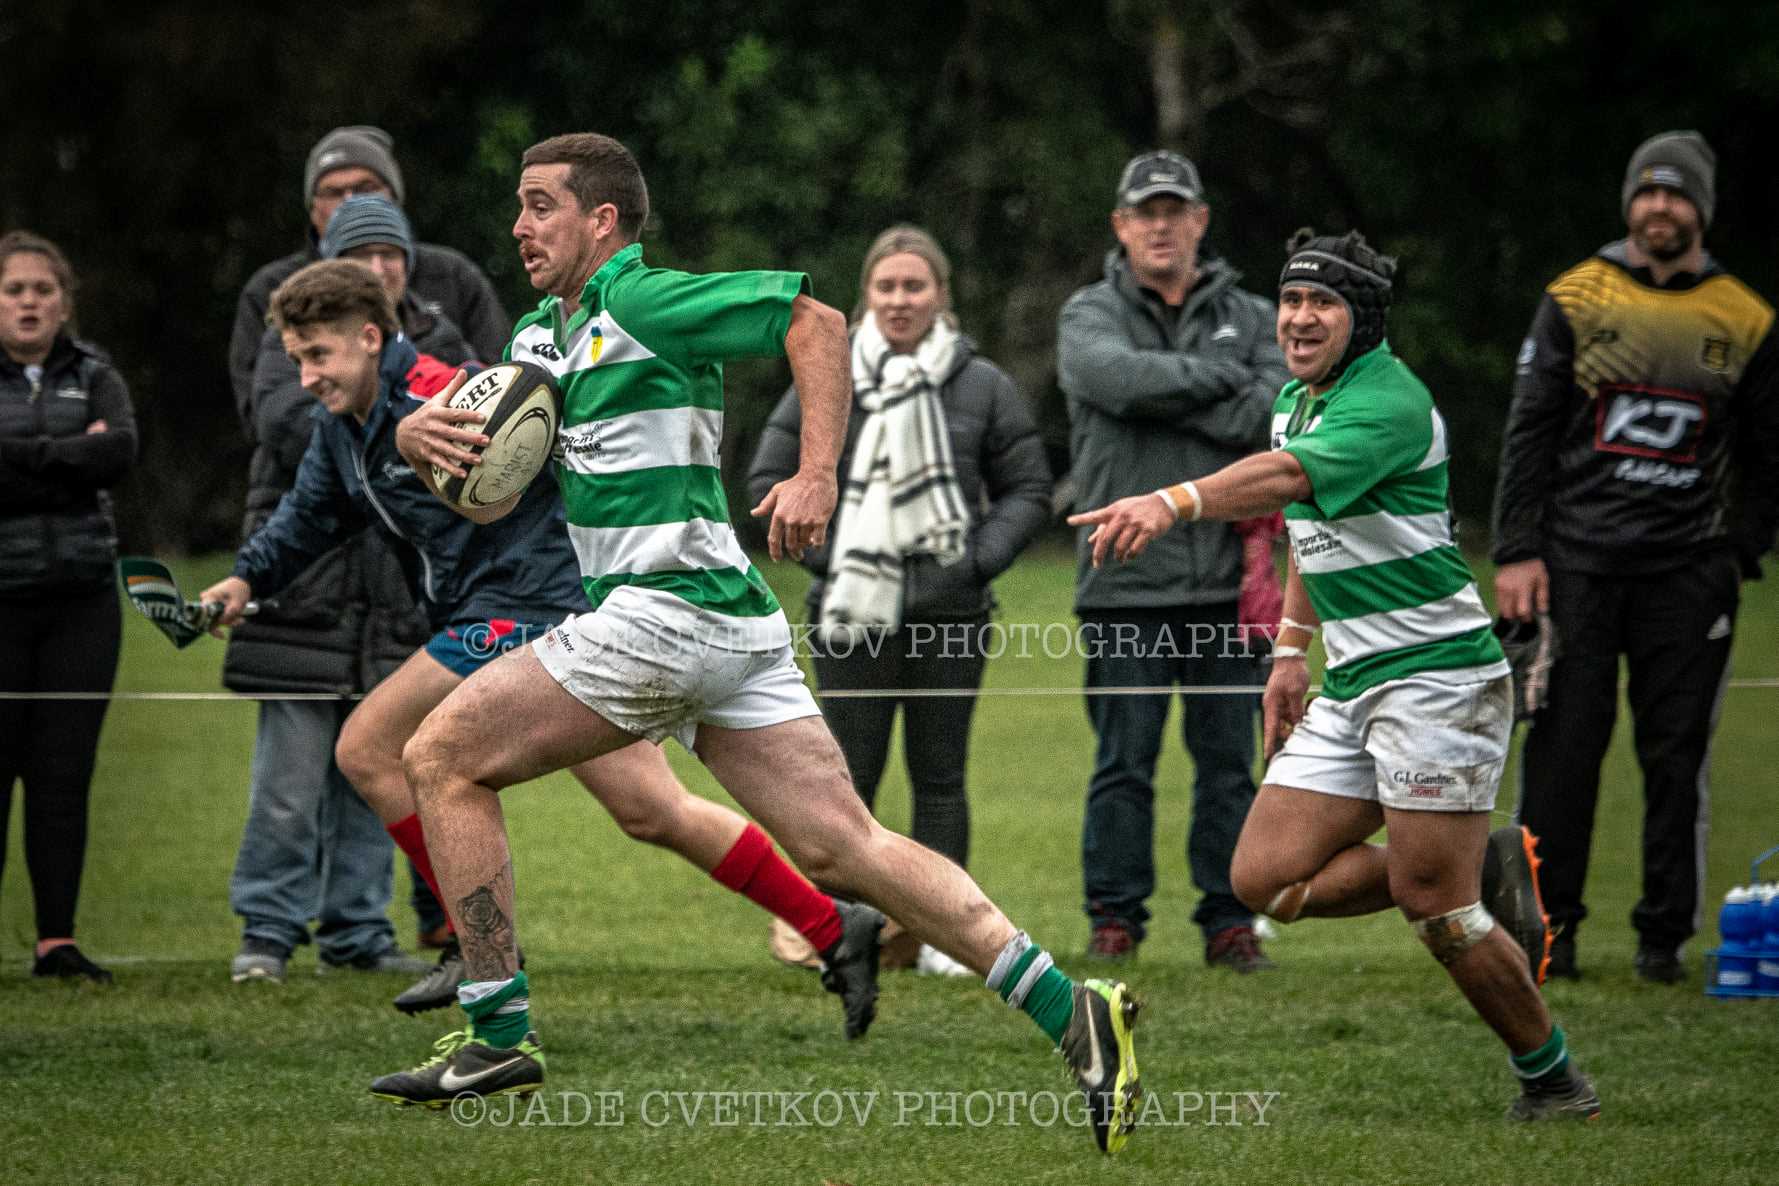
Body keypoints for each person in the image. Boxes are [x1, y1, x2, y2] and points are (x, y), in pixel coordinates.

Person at [376, 133, 1143, 1155]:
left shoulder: (641, 301)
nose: (519, 226)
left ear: (602, 221)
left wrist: (818, 472)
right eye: (518, 207)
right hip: (731, 624)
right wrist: (411, 439)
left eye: (540, 206)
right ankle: (1072, 1010)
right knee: (843, 845)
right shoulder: (538, 340)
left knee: (436, 756)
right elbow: (487, 488)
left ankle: (497, 1027)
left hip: (663, 614)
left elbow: (815, 321)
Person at [202, 259, 881, 1029]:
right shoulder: (345, 432)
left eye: (317, 355)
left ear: (367, 337)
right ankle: (833, 925)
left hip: (526, 600)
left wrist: (425, 435)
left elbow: (526, 460)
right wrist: (244, 583)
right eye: (295, 359)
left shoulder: (444, 390)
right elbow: (306, 517)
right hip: (522, 611)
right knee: (652, 810)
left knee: (369, 746)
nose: (305, 375)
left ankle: (479, 947)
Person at [1070, 227, 1601, 1121]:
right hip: (1354, 684)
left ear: (1363, 320)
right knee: (1263, 880)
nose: (1299, 317)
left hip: (1438, 679)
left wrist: (1171, 500)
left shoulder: (1387, 404)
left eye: (1322, 302)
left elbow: (1285, 480)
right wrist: (1288, 652)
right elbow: (1310, 532)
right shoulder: (1296, 399)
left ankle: (1552, 1080)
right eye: (1289, 300)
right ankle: (1476, 855)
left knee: (1439, 913)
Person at [223, 127, 512, 977]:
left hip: (510, 606)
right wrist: (243, 579)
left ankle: (421, 939)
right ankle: (276, 935)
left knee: (643, 803)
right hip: (347, 603)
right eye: (333, 196)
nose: (308, 372)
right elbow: (304, 494)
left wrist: (415, 419)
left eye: (384, 235)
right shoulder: (329, 385)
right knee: (338, 764)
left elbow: (502, 434)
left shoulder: (432, 360)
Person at [1492, 131, 1779, 983]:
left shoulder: (1744, 317)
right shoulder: (1576, 298)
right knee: (1561, 752)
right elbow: (1528, 434)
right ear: (1628, 204)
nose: (1660, 208)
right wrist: (1515, 551)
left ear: (1701, 210)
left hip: (1688, 574)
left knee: (1675, 754)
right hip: (1574, 565)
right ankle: (1550, 934)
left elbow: (1768, 458)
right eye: (1647, 193)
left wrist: (1738, 554)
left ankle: (1663, 942)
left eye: (1677, 195)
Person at [747, 225, 1052, 977]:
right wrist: (829, 551)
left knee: (940, 776)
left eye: (914, 286)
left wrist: (975, 563)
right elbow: (765, 482)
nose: (899, 299)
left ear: (940, 295)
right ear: (865, 296)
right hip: (849, 617)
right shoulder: (829, 372)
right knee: (846, 784)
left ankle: (948, 940)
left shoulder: (982, 383)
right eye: (885, 287)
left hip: (953, 615)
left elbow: (1028, 489)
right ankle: (844, 932)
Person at [1055, 150, 1288, 970]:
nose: (1159, 224)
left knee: (1229, 764)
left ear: (1199, 220)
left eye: (1173, 209)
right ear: (1121, 226)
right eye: (1143, 212)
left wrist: (1171, 399)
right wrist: (1217, 386)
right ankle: (1114, 919)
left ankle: (1228, 919)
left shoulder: (1256, 314)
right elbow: (1110, 380)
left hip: (1231, 584)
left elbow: (1271, 414)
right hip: (1123, 583)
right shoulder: (1087, 312)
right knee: (1124, 764)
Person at [0, 230, 137, 983]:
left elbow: (119, 451)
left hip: (84, 602)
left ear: (64, 302)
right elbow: (90, 460)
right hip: (2, 603)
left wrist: (21, 461)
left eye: (42, 290)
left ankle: (58, 941)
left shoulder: (96, 372)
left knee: (62, 774)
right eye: (14, 289)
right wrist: (67, 459)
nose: (29, 302)